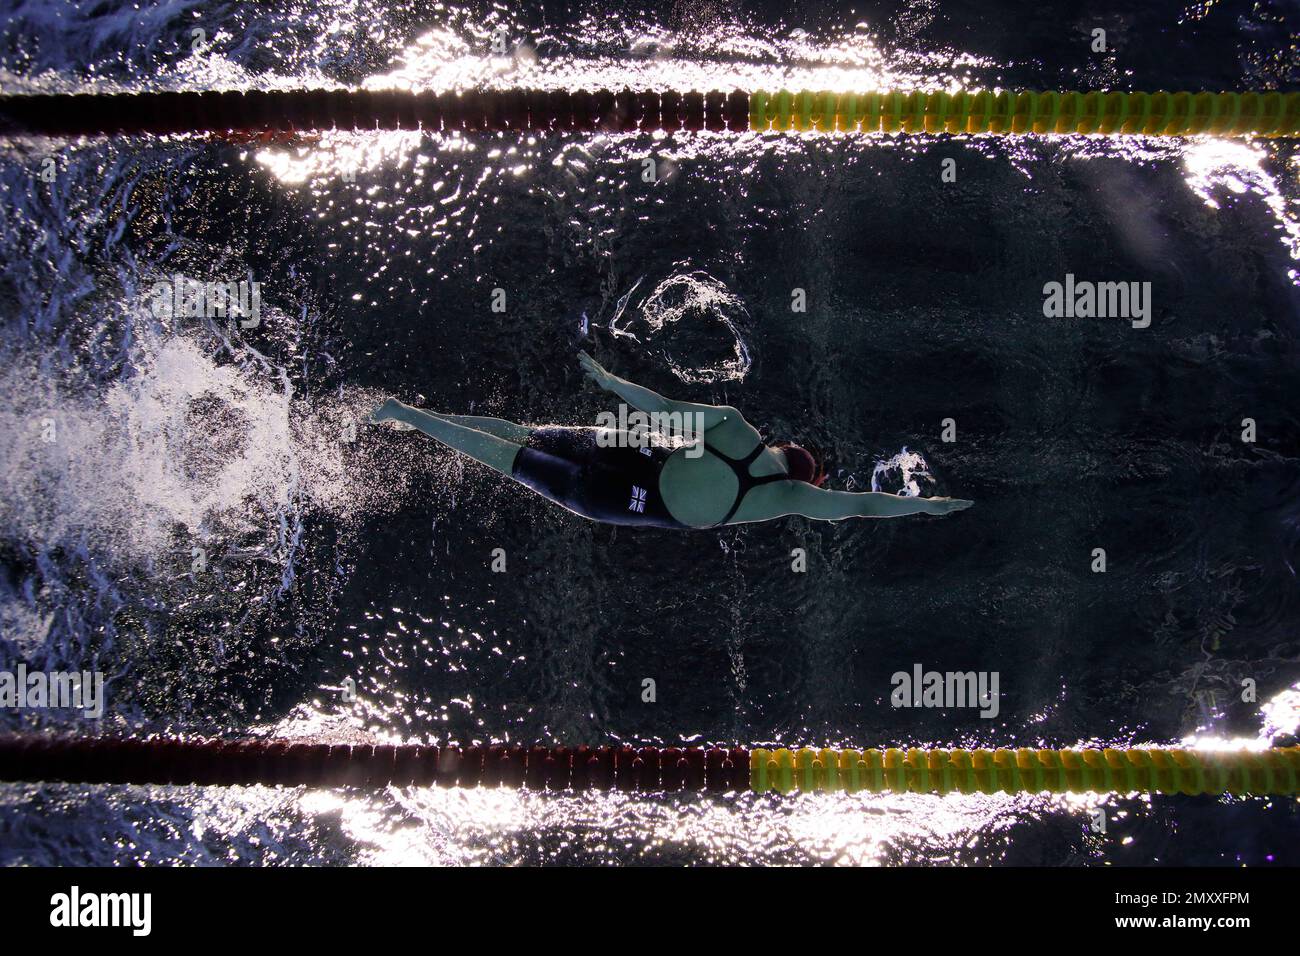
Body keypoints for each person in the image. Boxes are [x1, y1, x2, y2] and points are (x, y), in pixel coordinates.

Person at [368, 350, 972, 528]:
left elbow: (658, 409)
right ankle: (407, 416)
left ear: (781, 443)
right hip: (618, 500)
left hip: (627, 449)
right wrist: (928, 504)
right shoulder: (782, 500)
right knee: (509, 460)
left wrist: (606, 378)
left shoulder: (735, 426)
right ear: (798, 477)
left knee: (521, 432)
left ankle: (413, 406)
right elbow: (864, 504)